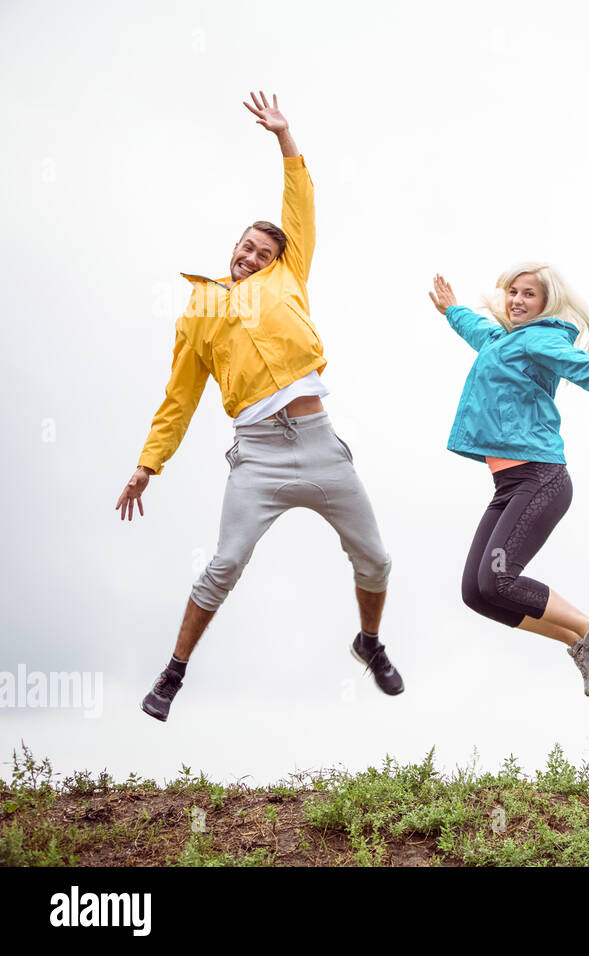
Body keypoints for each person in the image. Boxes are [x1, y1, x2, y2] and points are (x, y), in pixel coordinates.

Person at [117, 92, 401, 722]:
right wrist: (148, 464)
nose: (249, 256)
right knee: (223, 564)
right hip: (258, 456)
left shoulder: (289, 275)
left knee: (376, 559)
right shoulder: (202, 309)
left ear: (279, 260)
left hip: (319, 443)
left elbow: (299, 205)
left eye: (262, 252)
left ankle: (370, 643)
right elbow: (180, 397)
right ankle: (172, 676)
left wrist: (285, 137)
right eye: (244, 247)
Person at [428, 264, 589, 695]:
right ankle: (578, 642)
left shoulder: (542, 338)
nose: (517, 300)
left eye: (529, 294)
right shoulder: (502, 340)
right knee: (477, 593)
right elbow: (478, 329)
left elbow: (577, 364)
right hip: (508, 487)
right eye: (513, 292)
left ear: (546, 303)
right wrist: (451, 310)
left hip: (540, 478)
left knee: (498, 580)